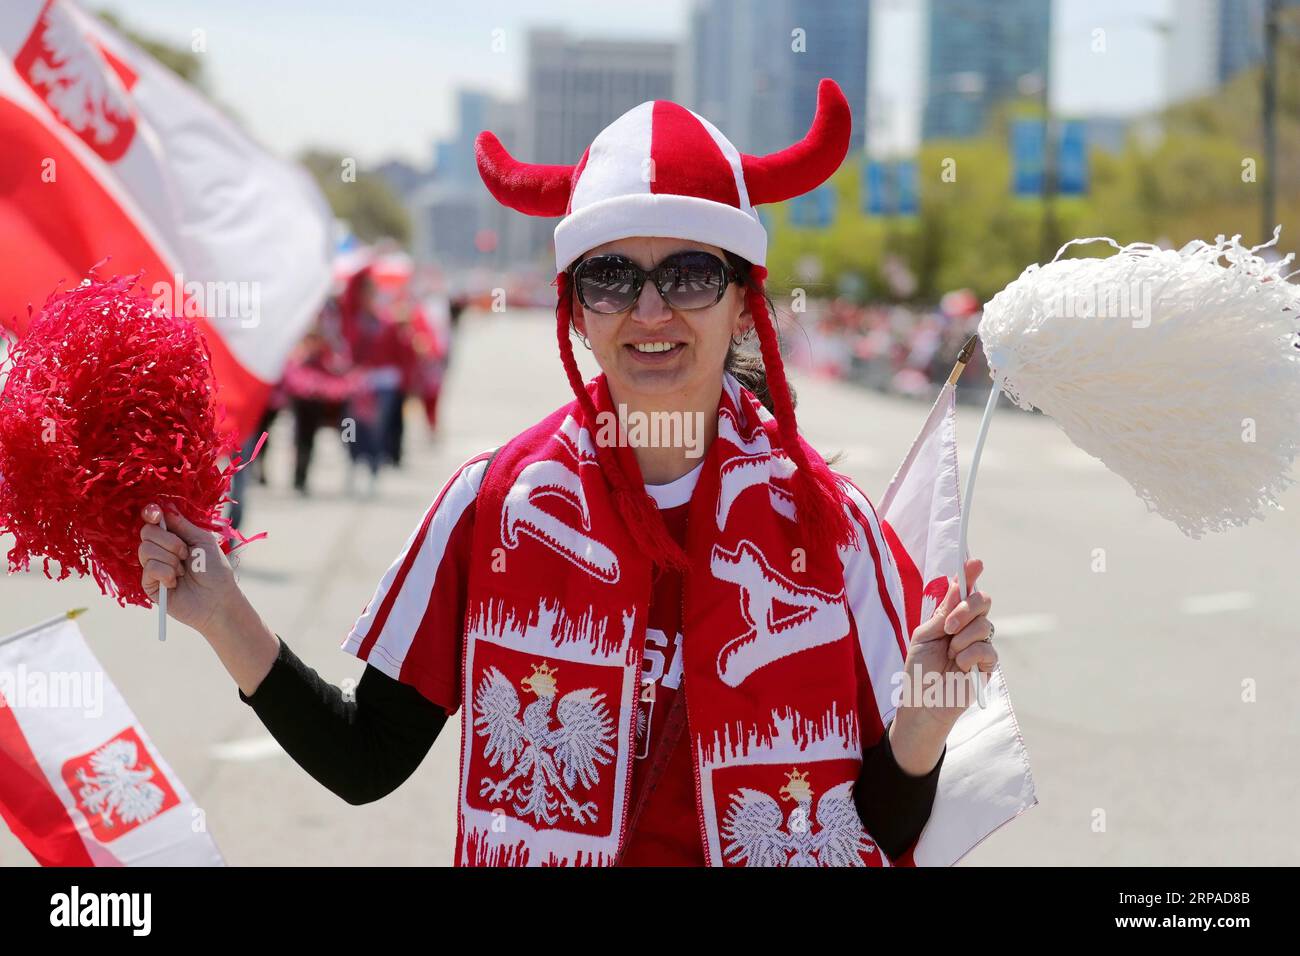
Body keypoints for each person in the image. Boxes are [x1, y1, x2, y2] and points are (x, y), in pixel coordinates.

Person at [136, 78, 997, 867]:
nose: (649, 310)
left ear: (743, 300)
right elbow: (367, 760)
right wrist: (221, 612)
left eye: (691, 273)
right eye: (611, 276)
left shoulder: (831, 525)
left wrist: (922, 723)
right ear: (576, 308)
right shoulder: (495, 502)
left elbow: (884, 824)